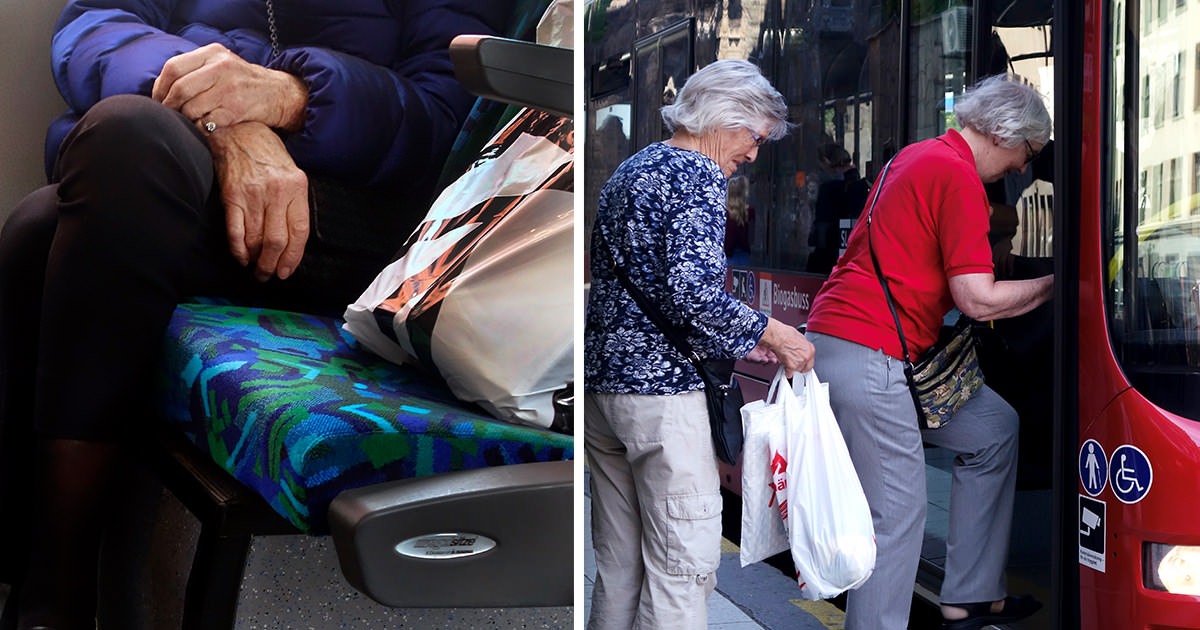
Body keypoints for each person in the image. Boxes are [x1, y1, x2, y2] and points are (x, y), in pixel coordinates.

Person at [0, 1, 516, 628]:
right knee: (49, 218)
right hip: (174, 163)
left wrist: (293, 98)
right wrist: (226, 115)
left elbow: (449, 113)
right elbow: (93, 29)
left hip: (355, 217)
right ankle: (46, 595)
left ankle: (54, 590)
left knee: (75, 194)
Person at [803, 74, 1054, 630]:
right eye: (1027, 153)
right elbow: (977, 298)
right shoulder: (959, 176)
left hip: (848, 344)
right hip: (870, 351)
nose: (1022, 168)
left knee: (994, 429)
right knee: (895, 517)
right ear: (1003, 133)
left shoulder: (917, 157)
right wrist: (1060, 284)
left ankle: (971, 593)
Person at [584, 59, 815, 630]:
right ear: (723, 118)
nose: (753, 154)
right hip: (661, 398)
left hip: (605, 392)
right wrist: (773, 331)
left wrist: (738, 338)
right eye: (754, 138)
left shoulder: (634, 168)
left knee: (619, 564)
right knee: (682, 566)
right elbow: (690, 291)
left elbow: (654, 286)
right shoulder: (696, 175)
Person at [807, 142, 869, 274]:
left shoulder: (828, 189)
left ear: (826, 162)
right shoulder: (864, 187)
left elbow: (822, 230)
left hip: (829, 259)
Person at [724, 174, 754, 266]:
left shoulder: (723, 212)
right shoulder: (750, 212)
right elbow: (751, 238)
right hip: (743, 256)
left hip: (727, 256)